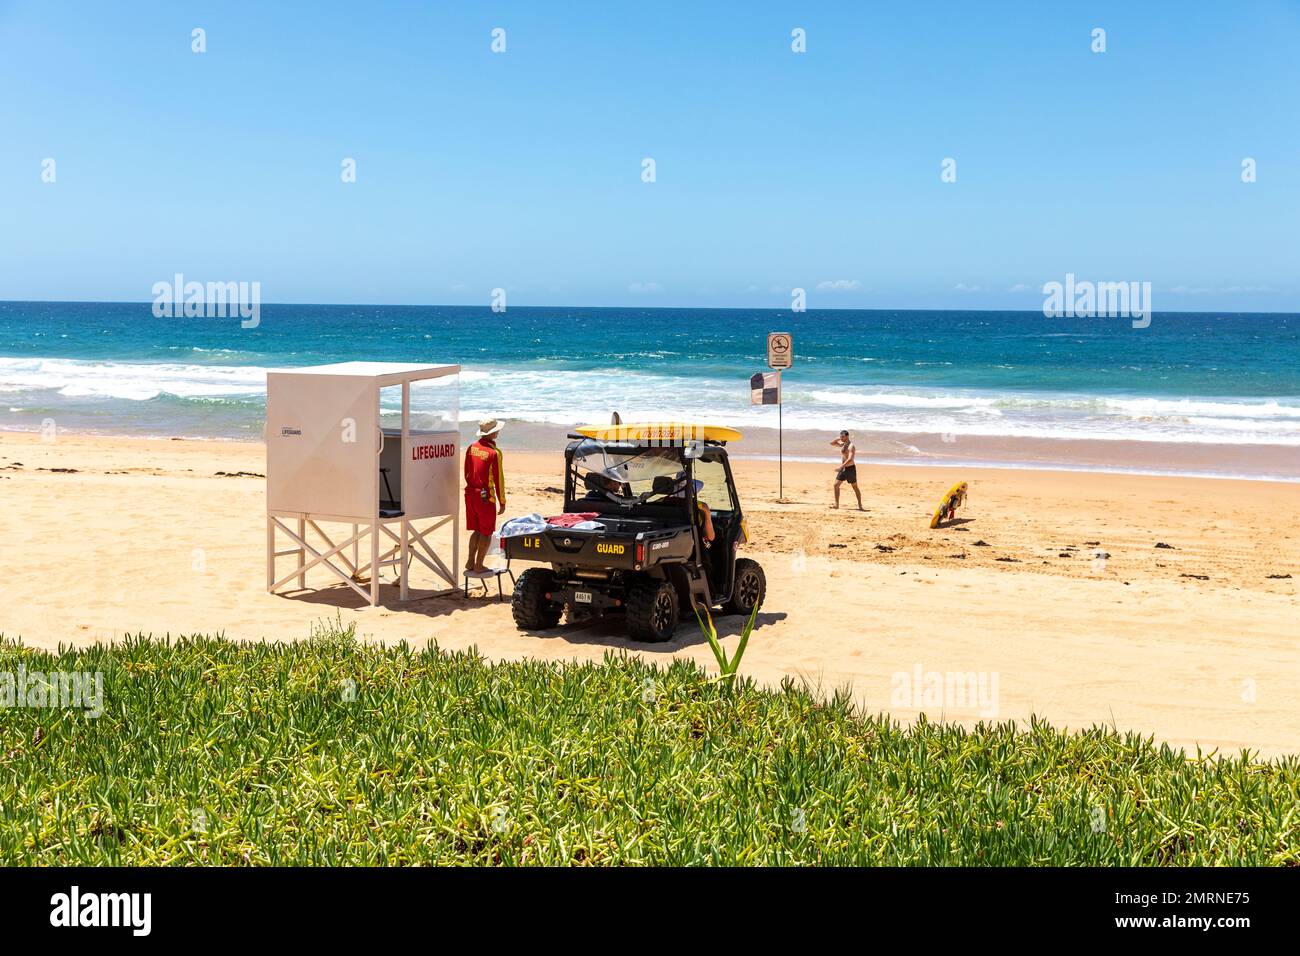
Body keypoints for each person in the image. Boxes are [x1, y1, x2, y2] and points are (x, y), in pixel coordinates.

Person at [464, 418, 506, 573]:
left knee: (476, 530)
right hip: (485, 496)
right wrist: (502, 501)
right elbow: (498, 479)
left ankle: (470, 561)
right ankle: (479, 564)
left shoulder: (471, 447)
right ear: (493, 433)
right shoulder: (494, 453)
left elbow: (467, 471)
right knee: (486, 532)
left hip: (470, 493)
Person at [830, 429, 864, 510]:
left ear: (847, 436)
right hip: (843, 469)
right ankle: (836, 505)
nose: (841, 438)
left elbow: (850, 459)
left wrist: (841, 466)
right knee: (836, 485)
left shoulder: (851, 446)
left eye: (843, 437)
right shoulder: (843, 444)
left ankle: (860, 505)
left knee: (855, 487)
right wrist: (838, 438)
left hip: (850, 469)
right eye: (841, 436)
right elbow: (832, 443)